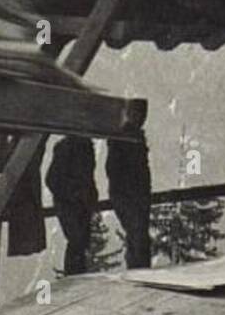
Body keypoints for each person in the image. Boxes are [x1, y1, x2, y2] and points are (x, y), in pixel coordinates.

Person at [107, 99, 152, 270]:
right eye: (139, 114)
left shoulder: (128, 137)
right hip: (130, 195)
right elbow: (114, 169)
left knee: (137, 236)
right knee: (138, 236)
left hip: (132, 195)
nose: (141, 118)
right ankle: (139, 272)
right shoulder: (126, 138)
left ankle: (138, 272)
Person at [44, 135, 97, 275]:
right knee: (77, 241)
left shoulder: (84, 146)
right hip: (69, 204)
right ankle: (74, 275)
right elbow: (52, 179)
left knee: (79, 242)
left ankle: (75, 276)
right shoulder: (67, 147)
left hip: (79, 203)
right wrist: (75, 194)